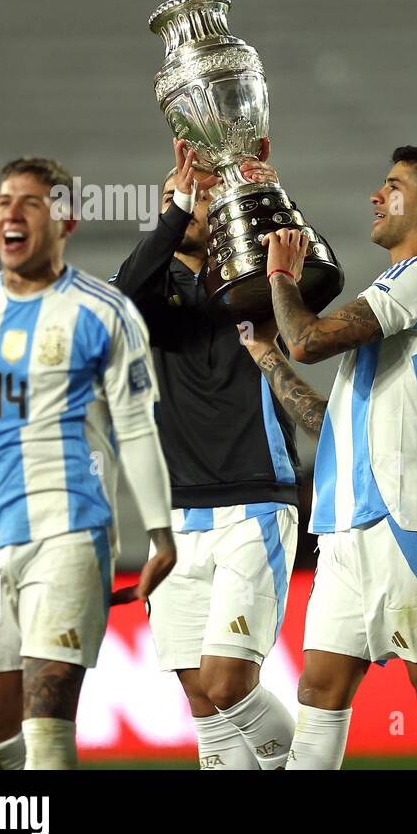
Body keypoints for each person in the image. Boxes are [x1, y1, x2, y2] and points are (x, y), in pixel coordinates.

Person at [0, 157, 176, 769]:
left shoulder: (103, 312)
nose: (11, 212)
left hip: (70, 531)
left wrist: (159, 530)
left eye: (30, 202)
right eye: (4, 200)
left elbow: (136, 425)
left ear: (66, 221)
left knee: (48, 722)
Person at [257, 145, 417, 770]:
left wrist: (280, 275)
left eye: (392, 185)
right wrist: (265, 356)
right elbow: (325, 421)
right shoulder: (390, 294)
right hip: (346, 524)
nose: (375, 195)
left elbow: (309, 340)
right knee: (319, 693)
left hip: (405, 516)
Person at [110, 139, 302, 770]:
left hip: (254, 500)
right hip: (176, 518)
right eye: (173, 196)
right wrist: (178, 206)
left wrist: (267, 204)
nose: (186, 204)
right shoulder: (140, 291)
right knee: (200, 701)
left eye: (197, 195)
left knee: (227, 684)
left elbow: (318, 278)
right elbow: (127, 293)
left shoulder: (249, 281)